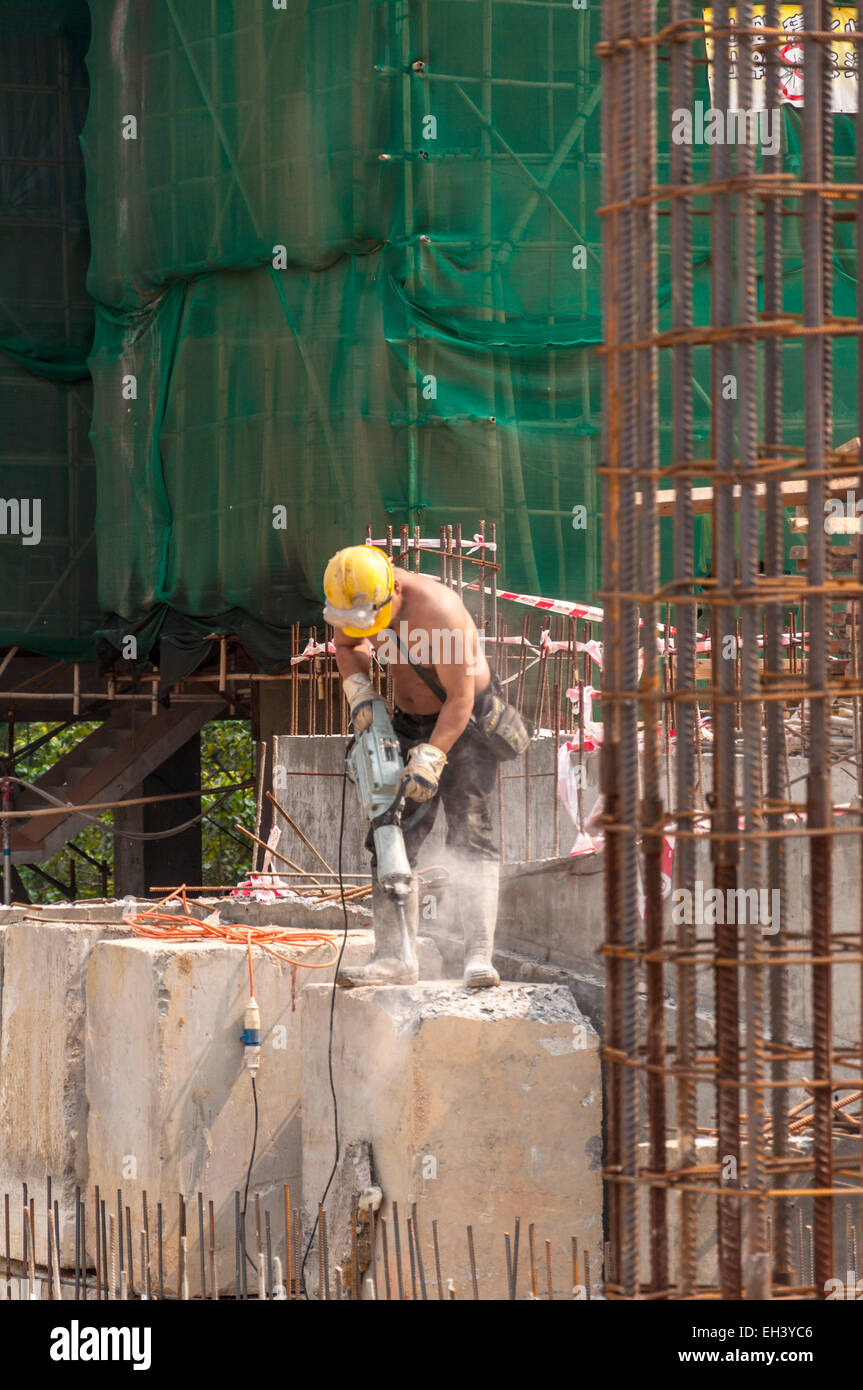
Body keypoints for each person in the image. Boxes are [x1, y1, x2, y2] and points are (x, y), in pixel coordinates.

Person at [323, 543, 503, 988]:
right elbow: (347, 646)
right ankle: (394, 956)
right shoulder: (354, 599)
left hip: (469, 721)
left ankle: (479, 955)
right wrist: (360, 691)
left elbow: (461, 699)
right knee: (389, 829)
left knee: (472, 833)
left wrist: (433, 754)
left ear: (395, 589)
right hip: (408, 720)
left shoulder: (441, 611)